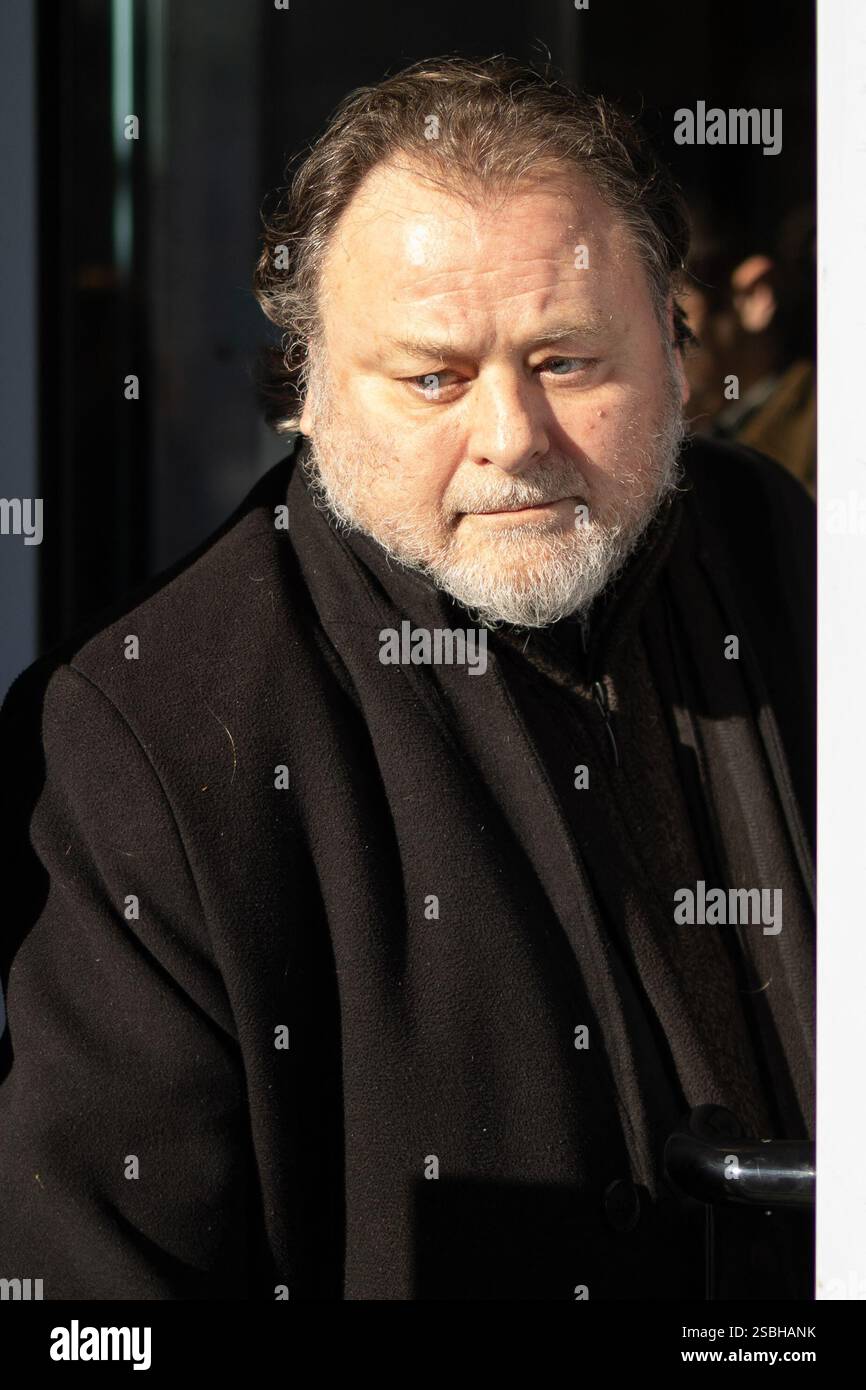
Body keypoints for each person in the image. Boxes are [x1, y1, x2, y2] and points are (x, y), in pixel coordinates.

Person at [0, 56, 814, 1300]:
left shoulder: (770, 547)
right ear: (310, 397)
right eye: (433, 376)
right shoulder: (151, 733)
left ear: (672, 344)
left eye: (567, 361)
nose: (511, 438)